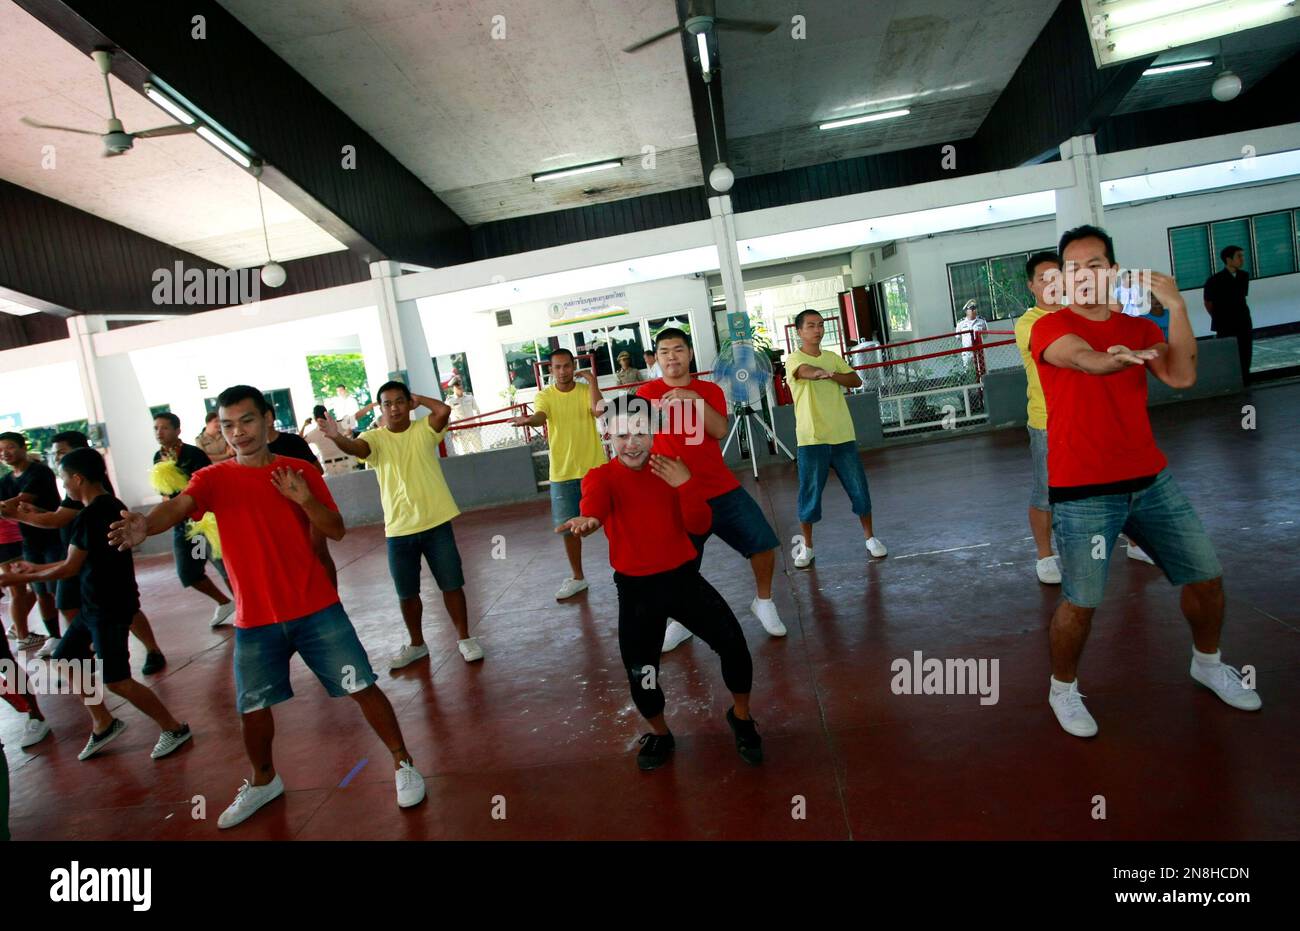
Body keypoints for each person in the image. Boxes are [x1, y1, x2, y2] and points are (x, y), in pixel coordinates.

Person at [109, 385, 425, 826]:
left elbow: (335, 529)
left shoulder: (298, 470)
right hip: (255, 619)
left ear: (268, 419)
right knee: (252, 708)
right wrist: (146, 525)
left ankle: (403, 762)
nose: (239, 432)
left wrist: (304, 499)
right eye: (229, 424)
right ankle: (263, 781)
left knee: (361, 686)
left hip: (316, 608)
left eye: (248, 421)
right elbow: (179, 507)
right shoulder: (213, 479)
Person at [1031, 224, 1260, 738]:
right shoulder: (1049, 326)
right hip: (1083, 490)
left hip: (1150, 481)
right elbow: (1082, 359)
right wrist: (1105, 360)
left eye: (1095, 265)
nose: (1083, 276)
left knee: (1207, 578)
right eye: (1073, 269)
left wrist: (1176, 308)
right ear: (1063, 282)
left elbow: (1181, 377)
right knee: (1082, 603)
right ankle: (1062, 688)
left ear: (1112, 270)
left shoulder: (1139, 327)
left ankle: (1206, 662)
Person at [559, 393, 760, 770]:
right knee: (642, 673)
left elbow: (700, 525)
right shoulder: (600, 477)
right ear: (608, 436)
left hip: (684, 581)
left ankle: (743, 717)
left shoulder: (672, 469)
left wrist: (686, 484)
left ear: (654, 432)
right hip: (636, 592)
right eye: (621, 436)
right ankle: (661, 733)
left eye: (639, 432)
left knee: (734, 646)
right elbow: (595, 503)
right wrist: (588, 519)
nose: (630, 443)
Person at [2, 448, 193, 762]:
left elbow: (68, 569)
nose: (64, 487)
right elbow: (72, 562)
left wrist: (19, 580)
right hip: (96, 604)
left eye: (65, 480)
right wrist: (32, 570)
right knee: (66, 658)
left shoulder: (92, 515)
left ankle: (173, 728)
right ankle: (103, 723)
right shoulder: (104, 507)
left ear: (77, 479)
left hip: (109, 606)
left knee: (116, 679)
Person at [637, 328, 785, 650]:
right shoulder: (645, 393)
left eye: (678, 349)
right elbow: (636, 441)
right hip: (674, 494)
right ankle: (681, 621)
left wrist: (693, 399)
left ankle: (763, 601)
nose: (672, 356)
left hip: (720, 488)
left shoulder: (709, 390)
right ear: (657, 358)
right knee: (678, 566)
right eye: (664, 351)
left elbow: (718, 430)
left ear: (689, 353)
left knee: (762, 542)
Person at [322, 382, 481, 669]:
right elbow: (355, 446)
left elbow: (443, 410)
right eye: (387, 403)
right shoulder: (375, 438)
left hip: (436, 523)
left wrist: (419, 398)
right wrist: (336, 437)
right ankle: (417, 644)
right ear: (380, 408)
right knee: (407, 593)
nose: (394, 408)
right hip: (398, 530)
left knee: (452, 584)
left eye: (399, 401)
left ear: (409, 404)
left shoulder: (424, 430)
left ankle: (465, 638)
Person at [10, 431, 167, 674]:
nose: (57, 458)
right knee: (67, 605)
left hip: (94, 568)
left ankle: (151, 649)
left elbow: (56, 520)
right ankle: (87, 650)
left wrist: (17, 516)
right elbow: (59, 516)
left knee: (124, 614)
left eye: (62, 452)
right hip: (79, 560)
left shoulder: (93, 496)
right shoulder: (79, 489)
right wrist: (34, 511)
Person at [784, 309, 886, 568]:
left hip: (842, 436)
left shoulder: (832, 357)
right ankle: (807, 548)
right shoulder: (794, 359)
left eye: (820, 325)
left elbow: (855, 379)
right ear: (799, 331)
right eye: (810, 326)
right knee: (809, 494)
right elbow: (803, 371)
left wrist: (832, 374)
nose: (817, 330)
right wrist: (819, 372)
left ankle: (870, 538)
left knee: (858, 488)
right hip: (811, 440)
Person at [511, 349, 608, 601]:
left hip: (595, 470)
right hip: (562, 473)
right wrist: (530, 420)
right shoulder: (545, 395)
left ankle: (630, 568)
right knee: (567, 529)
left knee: (615, 520)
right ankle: (578, 577)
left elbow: (599, 412)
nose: (563, 371)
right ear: (551, 370)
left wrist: (593, 381)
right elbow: (540, 416)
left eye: (567, 366)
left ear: (573, 366)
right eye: (557, 367)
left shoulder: (586, 391)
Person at [152, 413, 235, 627]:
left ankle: (247, 605)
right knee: (188, 572)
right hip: (181, 524)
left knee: (222, 564)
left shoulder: (193, 454)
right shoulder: (157, 458)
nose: (159, 433)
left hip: (204, 521)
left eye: (164, 428)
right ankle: (224, 602)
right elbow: (165, 493)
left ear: (177, 430)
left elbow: (210, 485)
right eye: (156, 428)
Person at [1015, 252, 1065, 585]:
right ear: (1032, 285)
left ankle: (1134, 542)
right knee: (1046, 491)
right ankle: (1046, 555)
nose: (1051, 283)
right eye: (1044, 278)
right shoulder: (1028, 323)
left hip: (1090, 416)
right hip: (1047, 420)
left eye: (1057, 276)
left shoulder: (1079, 312)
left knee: (1118, 482)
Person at [0, 432, 63, 651]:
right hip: (29, 541)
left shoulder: (39, 472)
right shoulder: (6, 481)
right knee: (40, 591)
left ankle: (77, 634)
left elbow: (20, 502)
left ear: (22, 447)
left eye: (9, 447)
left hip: (53, 537)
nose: (4, 453)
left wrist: (5, 508)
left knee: (58, 587)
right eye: (0, 451)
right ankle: (55, 635)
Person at [266, 417, 337, 590]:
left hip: (307, 504)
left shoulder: (293, 441)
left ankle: (331, 595)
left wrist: (298, 487)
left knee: (319, 550)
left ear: (268, 417)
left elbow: (317, 470)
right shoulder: (253, 454)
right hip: (278, 512)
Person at [1203, 245, 1254, 381]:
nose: (1242, 259)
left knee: (1246, 349)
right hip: (1225, 322)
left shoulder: (1244, 276)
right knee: (1228, 352)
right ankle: (1231, 379)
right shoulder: (1214, 280)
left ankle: (1245, 377)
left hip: (1243, 319)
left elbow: (1242, 297)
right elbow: (1208, 302)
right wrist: (1217, 317)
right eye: (1239, 256)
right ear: (1228, 259)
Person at [303, 407, 356, 476]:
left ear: (315, 418)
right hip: (345, 462)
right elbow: (353, 420)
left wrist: (304, 426)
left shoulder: (313, 433)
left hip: (328, 467)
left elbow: (299, 441)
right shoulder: (339, 424)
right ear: (326, 414)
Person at [445, 379, 483, 455]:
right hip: (461, 431)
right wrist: (453, 431)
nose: (460, 388)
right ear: (453, 388)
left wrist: (479, 424)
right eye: (457, 387)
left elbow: (477, 411)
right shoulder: (450, 401)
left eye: (460, 386)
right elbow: (447, 417)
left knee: (479, 451)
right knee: (464, 454)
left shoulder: (469, 397)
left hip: (473, 428)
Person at [955, 300, 989, 367]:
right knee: (968, 372)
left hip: (980, 351)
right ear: (966, 311)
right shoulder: (961, 323)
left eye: (975, 308)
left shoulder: (982, 321)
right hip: (967, 352)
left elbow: (985, 335)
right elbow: (958, 337)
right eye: (971, 309)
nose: (974, 311)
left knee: (983, 370)